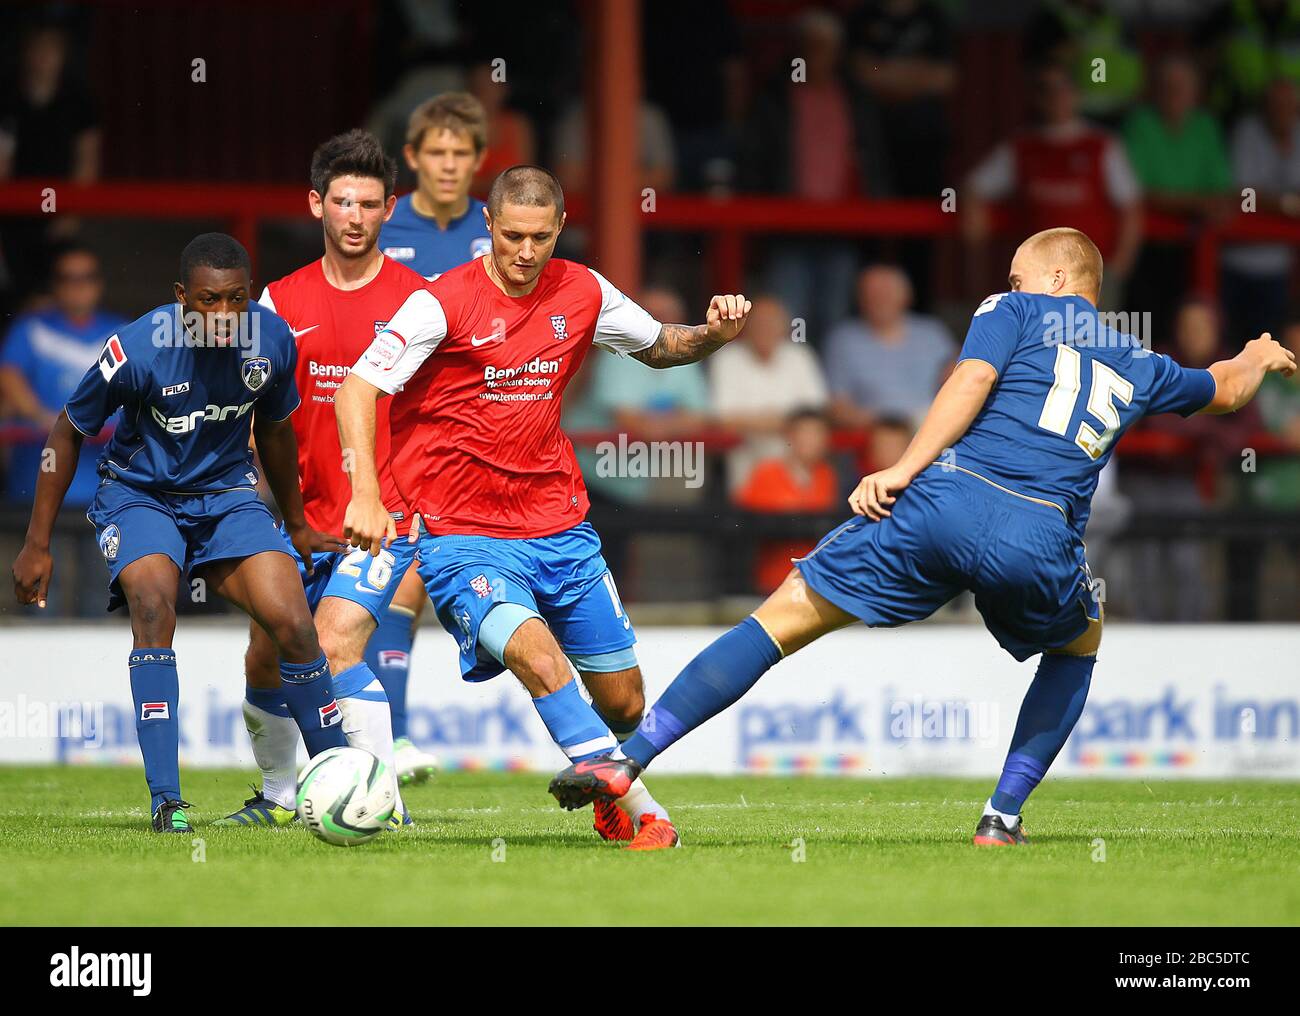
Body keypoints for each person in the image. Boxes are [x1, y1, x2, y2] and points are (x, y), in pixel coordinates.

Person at [548, 227, 1297, 847]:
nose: (1010, 281)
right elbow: (1225, 388)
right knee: (1081, 642)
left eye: (1020, 271)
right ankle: (1001, 819)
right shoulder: (1141, 362)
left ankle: (627, 761)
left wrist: (903, 466)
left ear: (1062, 278)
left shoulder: (1016, 309)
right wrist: (1259, 355)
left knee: (783, 614)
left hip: (944, 502)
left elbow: (970, 380)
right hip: (1038, 537)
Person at [335, 165, 753, 851]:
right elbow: (356, 389)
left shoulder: (583, 290)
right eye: (511, 236)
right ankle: (645, 812)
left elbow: (659, 348)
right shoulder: (439, 304)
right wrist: (367, 495)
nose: (525, 252)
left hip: (559, 525)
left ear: (558, 228)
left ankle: (603, 780)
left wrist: (712, 335)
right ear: (488, 229)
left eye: (539, 237)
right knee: (538, 657)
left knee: (624, 702)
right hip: (461, 532)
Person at [10, 233, 353, 833]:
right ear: (181, 297)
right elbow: (66, 431)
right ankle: (166, 800)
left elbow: (274, 430)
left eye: (236, 300)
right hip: (140, 495)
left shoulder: (271, 340)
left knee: (295, 623)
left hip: (226, 497)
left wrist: (297, 524)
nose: (223, 316)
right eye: (208, 301)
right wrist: (37, 543)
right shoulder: (138, 348)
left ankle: (340, 784)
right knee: (152, 603)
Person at [216, 131, 430, 827]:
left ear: (390, 207)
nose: (356, 215)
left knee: (335, 646)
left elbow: (443, 413)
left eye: (370, 202)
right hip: (298, 520)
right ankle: (280, 793)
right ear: (317, 204)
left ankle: (381, 803)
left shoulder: (419, 302)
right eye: (342, 200)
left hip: (383, 521)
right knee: (264, 659)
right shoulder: (278, 303)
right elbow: (251, 416)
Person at [372, 92, 494, 783]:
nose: (448, 167)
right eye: (436, 154)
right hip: (401, 429)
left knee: (411, 584)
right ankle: (389, 734)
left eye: (461, 154)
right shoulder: (382, 228)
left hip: (485, 433)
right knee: (398, 581)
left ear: (479, 162)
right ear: (412, 159)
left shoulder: (500, 229)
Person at [0, 246, 124, 509]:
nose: (78, 286)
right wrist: (42, 417)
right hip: (38, 482)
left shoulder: (123, 331)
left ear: (99, 283)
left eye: (87, 277)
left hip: (109, 486)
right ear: (54, 284)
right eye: (67, 278)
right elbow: (8, 375)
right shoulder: (31, 328)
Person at [709, 293, 828, 493]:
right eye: (759, 323)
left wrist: (752, 421)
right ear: (746, 326)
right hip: (744, 469)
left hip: (800, 472)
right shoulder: (727, 358)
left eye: (772, 322)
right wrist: (786, 421)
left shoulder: (801, 356)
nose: (765, 329)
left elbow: (817, 415)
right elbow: (721, 419)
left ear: (785, 327)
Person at [824, 265, 954, 431]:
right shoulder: (843, 339)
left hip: (932, 427)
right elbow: (837, 408)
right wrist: (884, 424)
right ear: (860, 298)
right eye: (873, 293)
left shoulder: (932, 333)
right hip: (874, 433)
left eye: (888, 292)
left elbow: (959, 382)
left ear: (907, 295)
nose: (881, 299)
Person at [734, 408, 839, 594]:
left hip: (820, 584)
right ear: (790, 436)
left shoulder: (830, 476)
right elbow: (743, 528)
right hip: (772, 585)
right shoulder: (765, 474)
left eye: (818, 433)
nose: (811, 440)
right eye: (805, 432)